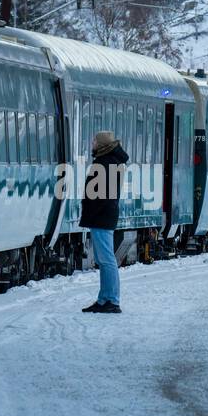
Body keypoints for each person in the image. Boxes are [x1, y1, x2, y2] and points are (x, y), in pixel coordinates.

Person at [80, 130, 128, 313]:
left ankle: (112, 300)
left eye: (94, 141)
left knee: (106, 259)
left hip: (101, 216)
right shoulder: (109, 162)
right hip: (103, 215)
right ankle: (104, 299)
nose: (92, 143)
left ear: (101, 145)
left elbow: (102, 194)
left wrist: (93, 209)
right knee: (104, 258)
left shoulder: (105, 163)